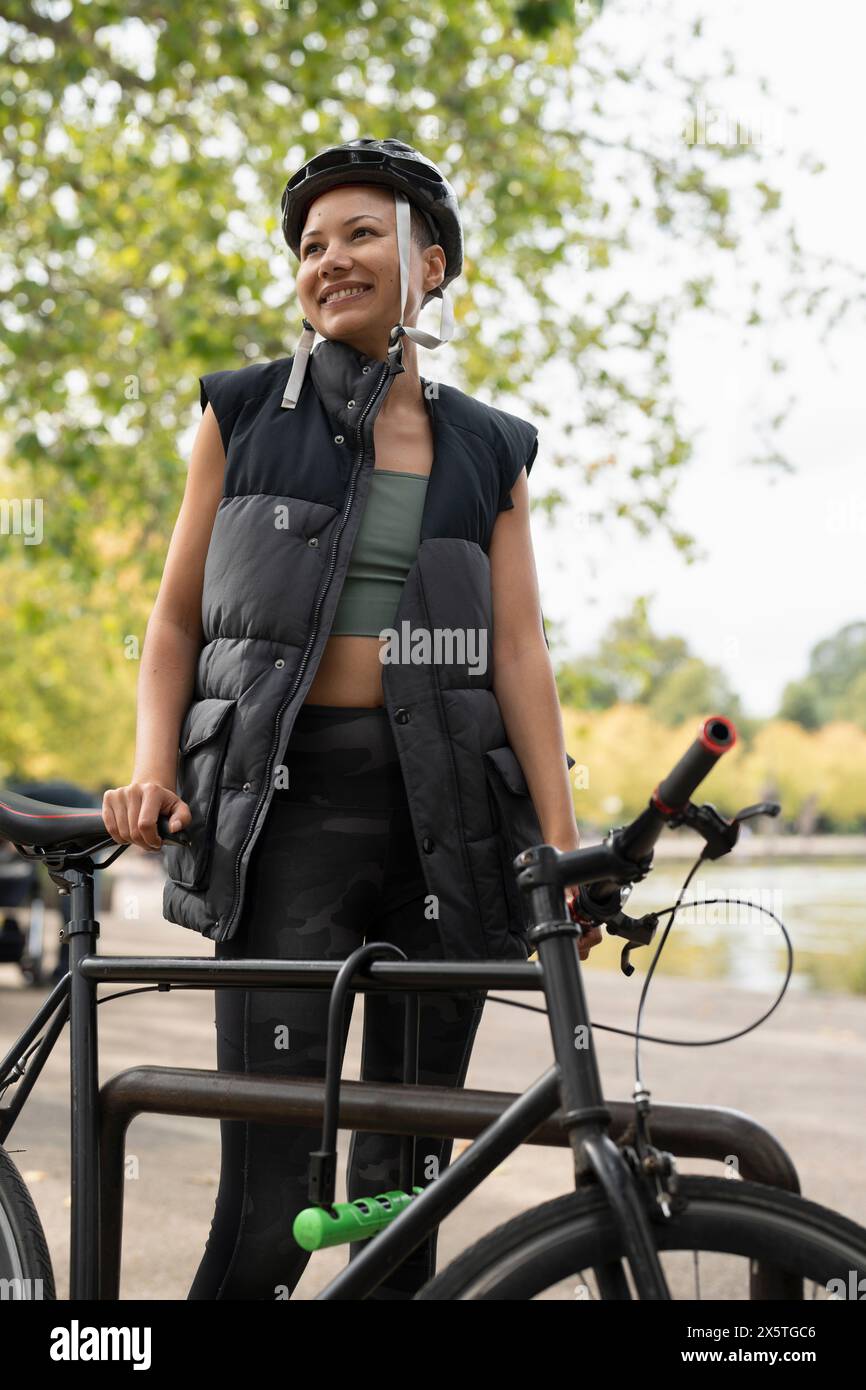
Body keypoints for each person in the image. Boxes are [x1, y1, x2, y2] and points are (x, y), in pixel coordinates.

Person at [102, 137, 601, 1301]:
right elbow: (173, 623)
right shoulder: (239, 416)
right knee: (274, 1188)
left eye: (359, 234)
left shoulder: (492, 448)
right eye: (309, 245)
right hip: (283, 817)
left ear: (430, 264)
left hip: (450, 821)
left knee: (408, 1180)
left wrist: (560, 842)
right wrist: (148, 766)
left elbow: (518, 651)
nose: (329, 259)